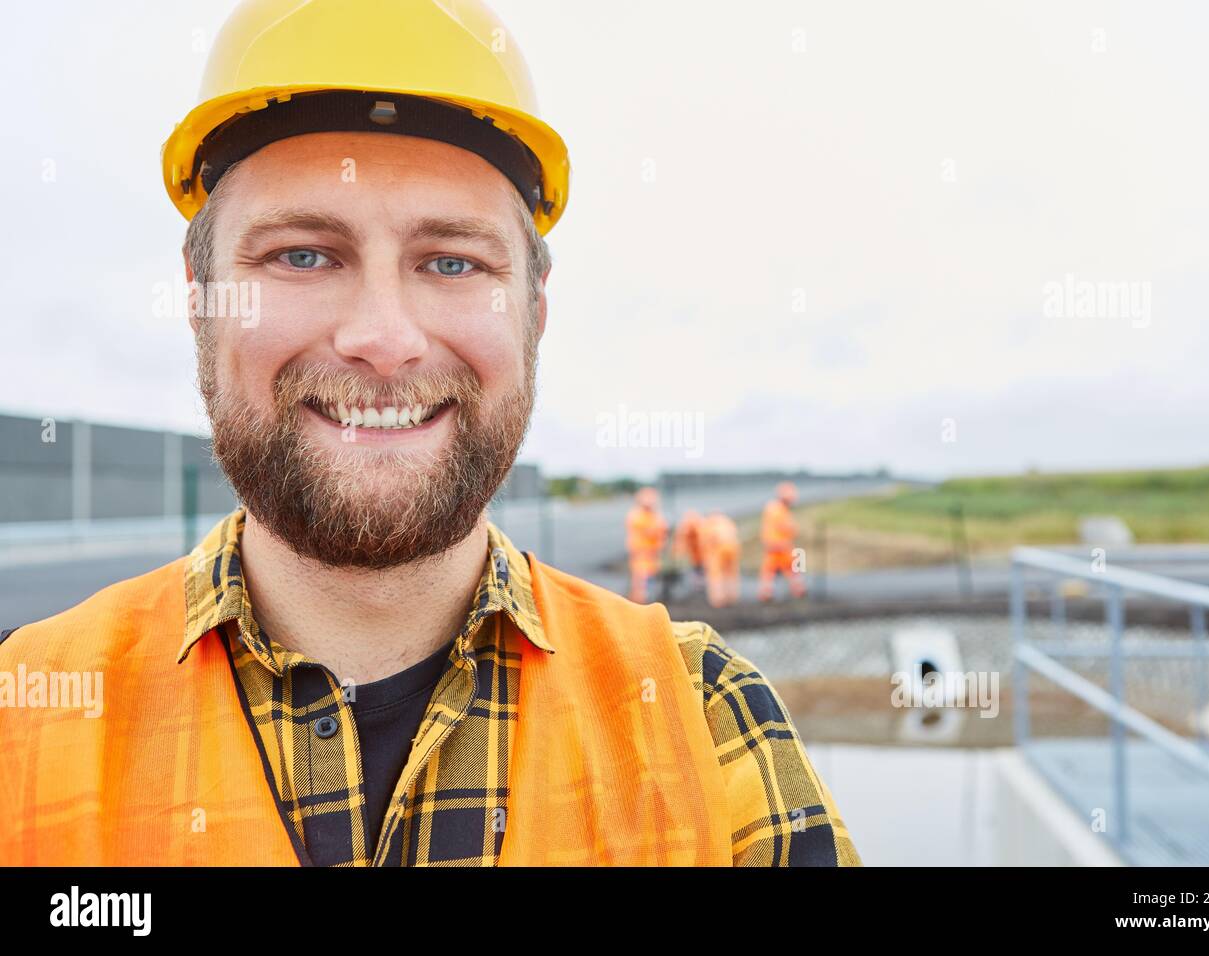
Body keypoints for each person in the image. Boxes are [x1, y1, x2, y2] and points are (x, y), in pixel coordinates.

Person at [0, 0, 858, 867]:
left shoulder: (704, 721)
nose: (383, 338)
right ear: (199, 297)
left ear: (535, 311)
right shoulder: (20, 721)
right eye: (303, 254)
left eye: (452, 263)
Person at [759, 481, 807, 602]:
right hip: (781, 545)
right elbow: (787, 527)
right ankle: (798, 590)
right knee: (793, 568)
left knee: (769, 570)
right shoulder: (780, 510)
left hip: (772, 545)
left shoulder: (771, 507)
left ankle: (767, 593)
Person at [625, 486, 668, 604]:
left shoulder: (655, 515)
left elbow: (661, 531)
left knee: (650, 575)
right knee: (640, 576)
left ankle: (648, 597)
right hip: (641, 552)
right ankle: (640, 599)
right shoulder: (636, 515)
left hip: (652, 553)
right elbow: (649, 531)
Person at [701, 511, 742, 608]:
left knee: (716, 573)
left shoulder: (709, 525)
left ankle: (718, 598)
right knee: (731, 572)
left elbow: (708, 540)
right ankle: (732, 595)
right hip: (733, 547)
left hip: (720, 548)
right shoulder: (727, 522)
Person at [671, 508, 707, 594]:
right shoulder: (691, 528)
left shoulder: (698, 527)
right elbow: (681, 542)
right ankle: (698, 586)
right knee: (697, 570)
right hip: (696, 556)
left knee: (700, 570)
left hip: (701, 555)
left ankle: (700, 586)